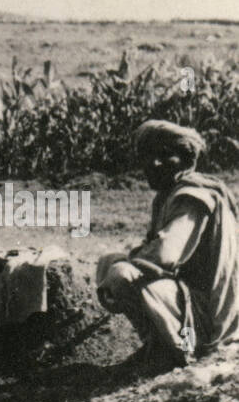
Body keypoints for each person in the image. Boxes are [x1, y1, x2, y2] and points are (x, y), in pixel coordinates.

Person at [96, 120, 239, 369]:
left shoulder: (193, 197)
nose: (154, 163)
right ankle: (158, 344)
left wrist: (123, 269)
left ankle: (178, 351)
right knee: (110, 261)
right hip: (190, 300)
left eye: (165, 155)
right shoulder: (168, 195)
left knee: (121, 273)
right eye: (147, 156)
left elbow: (165, 254)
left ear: (186, 160)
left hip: (211, 314)